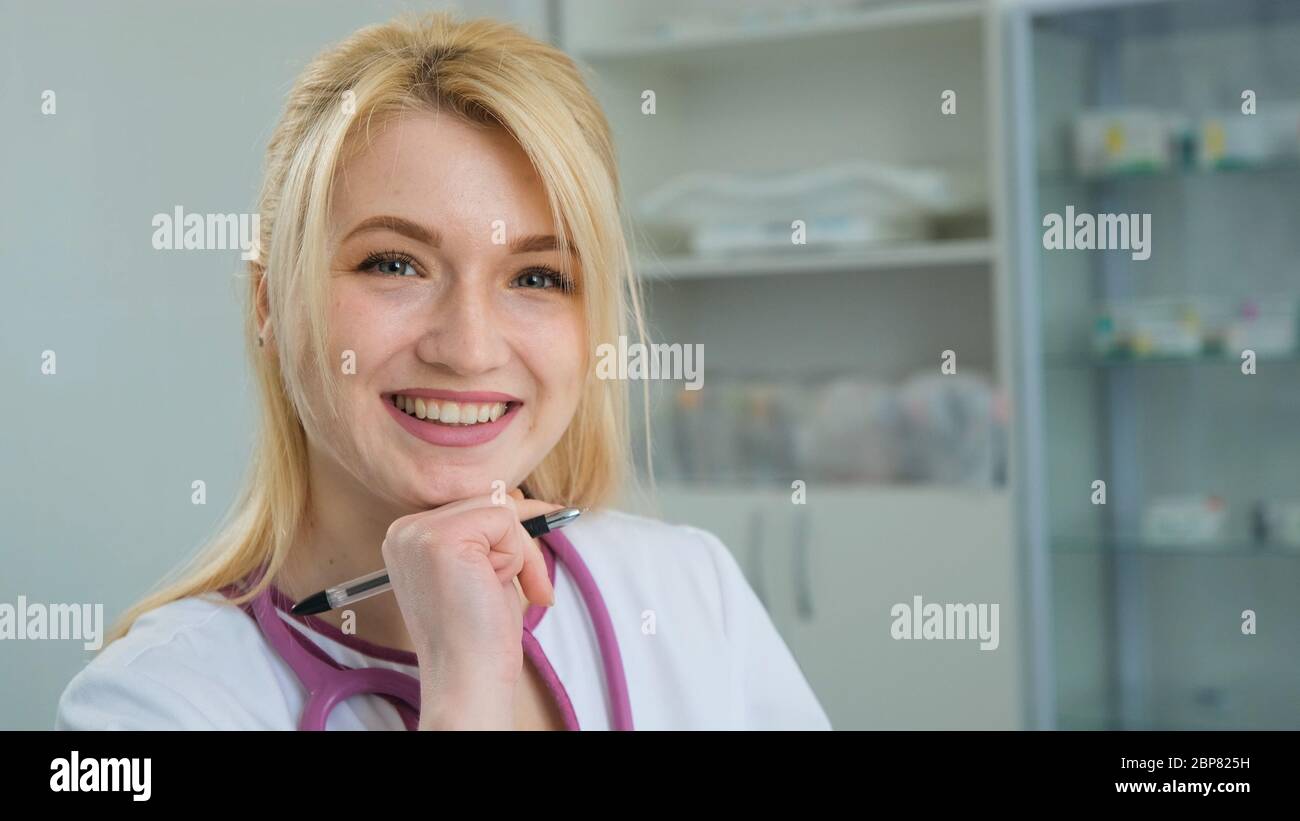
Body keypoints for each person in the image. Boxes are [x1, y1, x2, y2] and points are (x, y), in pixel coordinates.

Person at [54, 11, 830, 731]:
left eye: (536, 277)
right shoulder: (145, 704)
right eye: (395, 263)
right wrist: (465, 690)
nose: (467, 347)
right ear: (268, 302)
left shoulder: (690, 591)